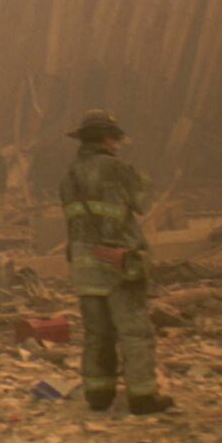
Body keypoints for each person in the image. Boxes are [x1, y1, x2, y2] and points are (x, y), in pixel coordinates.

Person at [61, 109, 173, 415]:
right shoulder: (118, 169)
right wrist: (143, 176)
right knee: (135, 333)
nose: (119, 144)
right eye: (116, 138)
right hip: (118, 265)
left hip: (84, 269)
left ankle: (98, 395)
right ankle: (142, 397)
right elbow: (143, 202)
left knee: (97, 335)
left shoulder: (69, 175)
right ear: (108, 139)